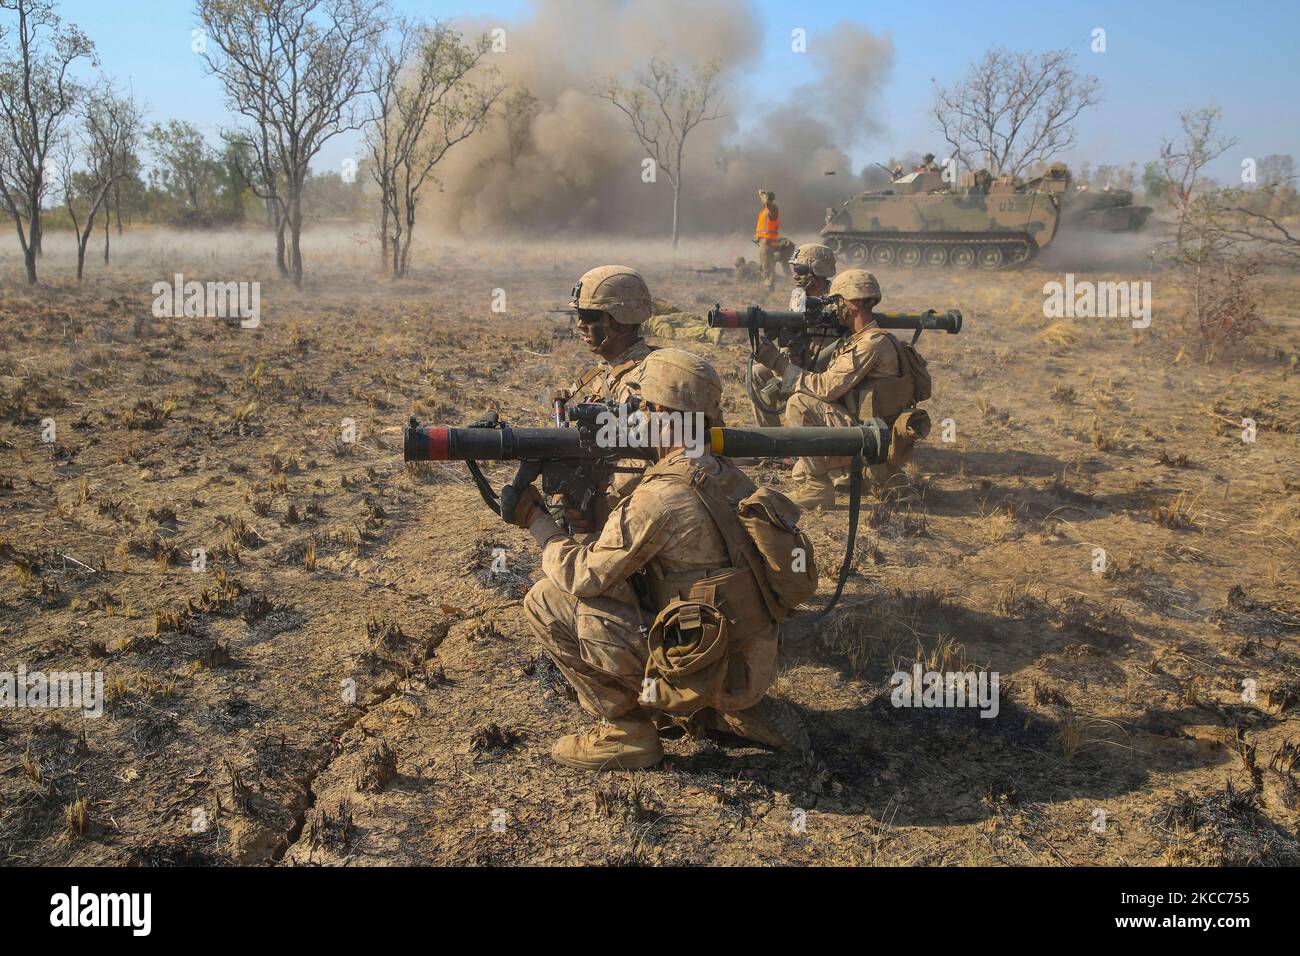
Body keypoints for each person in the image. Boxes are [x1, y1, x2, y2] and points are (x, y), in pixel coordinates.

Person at [516, 349, 801, 770]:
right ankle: (718, 707)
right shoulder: (726, 473)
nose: (630, 419)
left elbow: (583, 577)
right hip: (746, 660)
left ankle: (627, 734)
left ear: (660, 413)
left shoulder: (660, 497)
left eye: (637, 408)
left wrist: (537, 521)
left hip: (709, 666)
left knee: (546, 599)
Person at [753, 268, 927, 508]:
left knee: (800, 403)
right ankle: (875, 476)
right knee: (799, 471)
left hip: (872, 438)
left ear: (853, 303)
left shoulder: (870, 344)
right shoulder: (859, 339)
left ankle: (818, 489)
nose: (833, 308)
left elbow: (825, 388)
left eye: (836, 302)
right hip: (873, 433)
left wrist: (777, 362)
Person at [749, 243, 838, 427]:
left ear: (818, 271)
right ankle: (772, 442)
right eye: (794, 269)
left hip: (821, 375)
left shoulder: (835, 303)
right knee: (756, 373)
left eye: (801, 270)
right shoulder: (799, 297)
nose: (795, 275)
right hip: (797, 364)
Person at [559, 265, 657, 405]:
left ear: (623, 321)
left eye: (589, 316)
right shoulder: (612, 369)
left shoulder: (642, 381)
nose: (580, 324)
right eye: (579, 314)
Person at [753, 189, 788, 291]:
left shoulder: (773, 209)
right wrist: (758, 237)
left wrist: (762, 194)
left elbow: (767, 203)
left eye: (765, 198)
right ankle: (771, 283)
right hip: (762, 242)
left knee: (766, 265)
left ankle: (769, 287)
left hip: (768, 243)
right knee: (762, 265)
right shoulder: (764, 212)